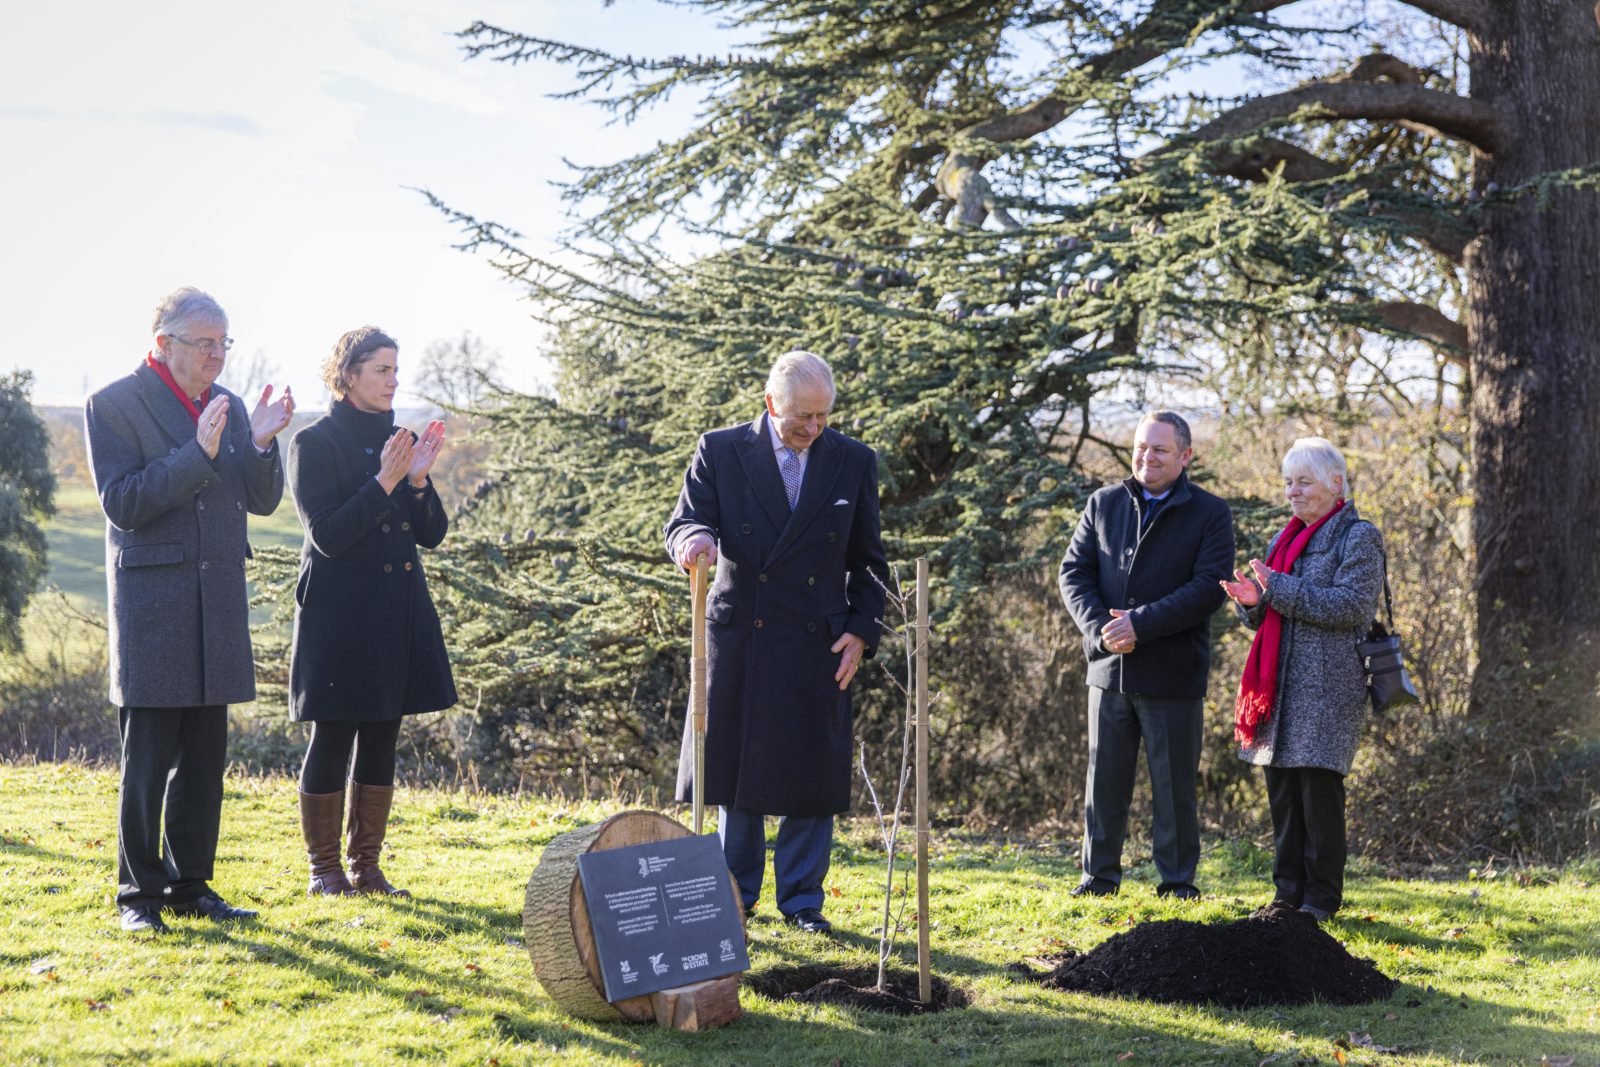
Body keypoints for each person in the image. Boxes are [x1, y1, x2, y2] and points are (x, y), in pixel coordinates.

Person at [86, 287, 295, 933]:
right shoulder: (113, 404)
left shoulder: (228, 404)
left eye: (223, 343)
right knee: (147, 763)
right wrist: (197, 455)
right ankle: (138, 897)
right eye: (205, 343)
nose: (217, 355)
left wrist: (261, 444)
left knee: (204, 763)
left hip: (218, 603)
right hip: (154, 606)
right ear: (163, 344)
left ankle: (191, 886)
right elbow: (124, 503)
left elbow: (260, 500)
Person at [664, 350, 887, 933]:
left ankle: (803, 901)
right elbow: (685, 520)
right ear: (770, 404)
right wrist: (692, 542)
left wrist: (861, 631)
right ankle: (734, 895)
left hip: (818, 640)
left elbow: (869, 562)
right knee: (737, 773)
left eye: (823, 416)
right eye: (801, 417)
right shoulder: (720, 450)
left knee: (810, 775)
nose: (813, 428)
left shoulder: (853, 461)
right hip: (741, 634)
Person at [287, 326, 455, 898]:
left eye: (395, 370)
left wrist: (418, 481)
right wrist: (385, 480)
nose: (393, 381)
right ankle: (325, 870)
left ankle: (366, 868)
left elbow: (431, 534)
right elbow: (328, 535)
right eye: (382, 370)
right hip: (339, 618)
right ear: (348, 375)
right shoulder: (313, 443)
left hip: (396, 612)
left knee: (383, 734)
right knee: (333, 736)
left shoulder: (400, 439)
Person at [1058, 411, 1235, 899]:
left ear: (1185, 456)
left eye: (1159, 449)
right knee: (1103, 784)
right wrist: (1103, 631)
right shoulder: (1103, 503)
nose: (1147, 456)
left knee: (1175, 790)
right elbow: (1073, 573)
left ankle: (1177, 884)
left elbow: (1209, 588)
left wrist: (1141, 624)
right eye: (1141, 446)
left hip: (1173, 674)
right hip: (1108, 670)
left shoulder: (1210, 513)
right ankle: (1098, 879)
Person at [1221, 436, 1383, 921]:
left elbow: (1350, 607)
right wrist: (1252, 603)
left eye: (1304, 482)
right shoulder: (1284, 538)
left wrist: (1278, 588)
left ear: (1336, 483)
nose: (1293, 491)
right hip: (1280, 688)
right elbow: (1268, 616)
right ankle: (1286, 898)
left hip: (1328, 690)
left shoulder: (1359, 537)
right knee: (1284, 796)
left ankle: (1320, 901)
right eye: (1289, 482)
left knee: (1318, 796)